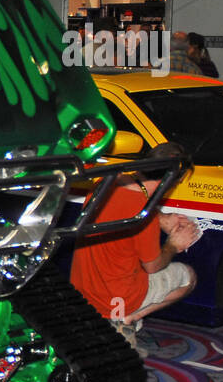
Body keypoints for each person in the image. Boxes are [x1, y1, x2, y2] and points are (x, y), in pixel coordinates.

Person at [70, 142, 198, 353]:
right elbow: (153, 266)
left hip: (82, 293)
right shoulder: (143, 214)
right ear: (172, 182)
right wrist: (173, 245)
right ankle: (126, 319)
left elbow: (130, 201)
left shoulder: (107, 181)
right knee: (188, 276)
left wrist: (161, 217)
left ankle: (113, 319)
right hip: (114, 298)